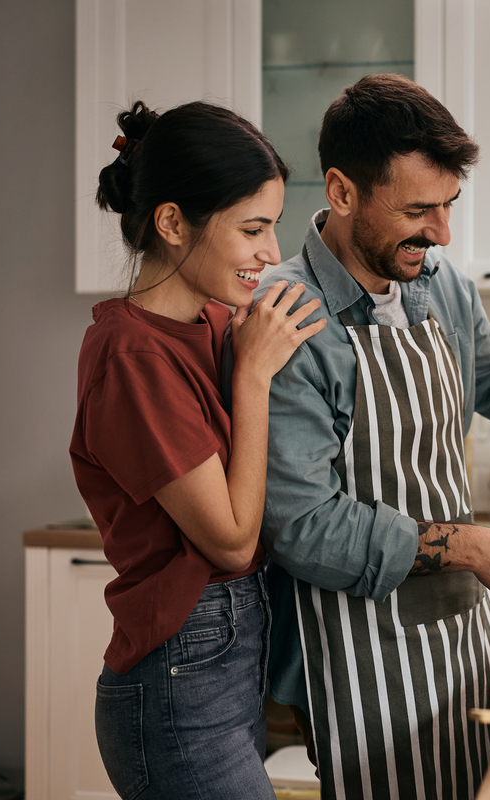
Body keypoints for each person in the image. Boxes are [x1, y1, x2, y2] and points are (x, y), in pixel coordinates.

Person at [227, 74, 490, 800]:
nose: (443, 232)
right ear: (342, 191)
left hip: (459, 630)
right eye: (418, 210)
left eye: (449, 204)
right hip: (359, 653)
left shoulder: (439, 282)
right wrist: (469, 546)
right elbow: (302, 526)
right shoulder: (286, 313)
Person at [69, 100, 326, 800]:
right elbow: (233, 542)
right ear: (173, 223)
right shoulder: (131, 356)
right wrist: (253, 376)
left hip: (226, 667)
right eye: (252, 228)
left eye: (273, 226)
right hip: (176, 690)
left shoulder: (216, 321)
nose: (271, 252)